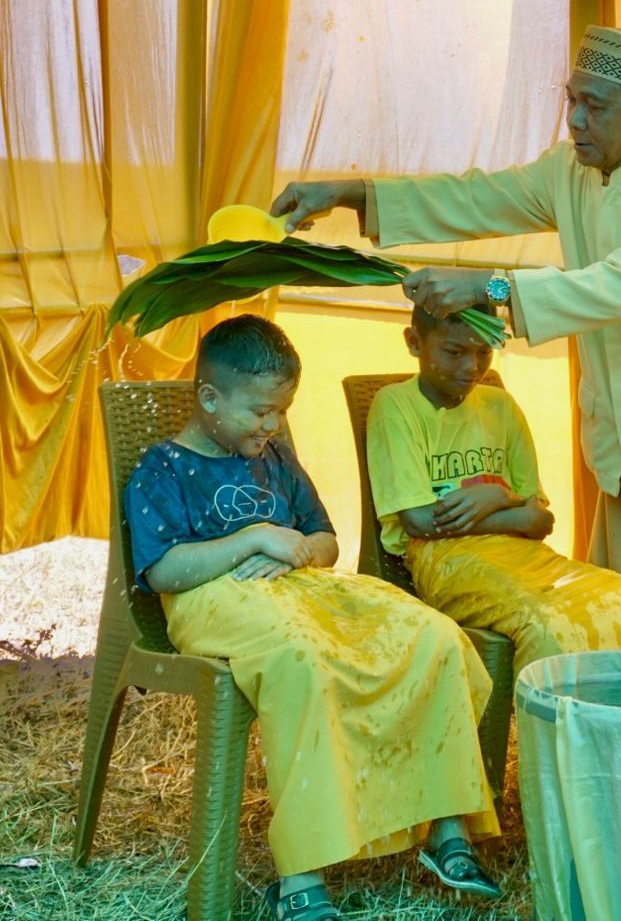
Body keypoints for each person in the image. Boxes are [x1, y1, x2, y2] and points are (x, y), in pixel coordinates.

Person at [272, 25, 621, 765]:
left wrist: (490, 286)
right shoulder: (572, 171)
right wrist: (347, 192)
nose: (576, 121)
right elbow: (475, 199)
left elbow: (616, 287)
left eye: (594, 107)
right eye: (572, 103)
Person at [124, 315, 502, 921]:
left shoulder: (276, 458)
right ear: (209, 397)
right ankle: (300, 876)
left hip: (302, 591)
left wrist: (297, 549)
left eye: (282, 411)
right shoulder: (162, 469)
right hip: (213, 604)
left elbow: (324, 540)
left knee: (429, 633)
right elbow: (165, 572)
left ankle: (446, 827)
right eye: (261, 412)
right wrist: (255, 539)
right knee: (303, 660)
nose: (274, 425)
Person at [366, 302, 621, 678]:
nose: (471, 366)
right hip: (444, 560)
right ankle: (548, 733)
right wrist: (512, 508)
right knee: (551, 628)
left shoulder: (500, 406)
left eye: (484, 351)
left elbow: (539, 522)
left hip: (527, 556)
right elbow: (420, 520)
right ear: (413, 342)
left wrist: (496, 497)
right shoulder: (395, 405)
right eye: (453, 352)